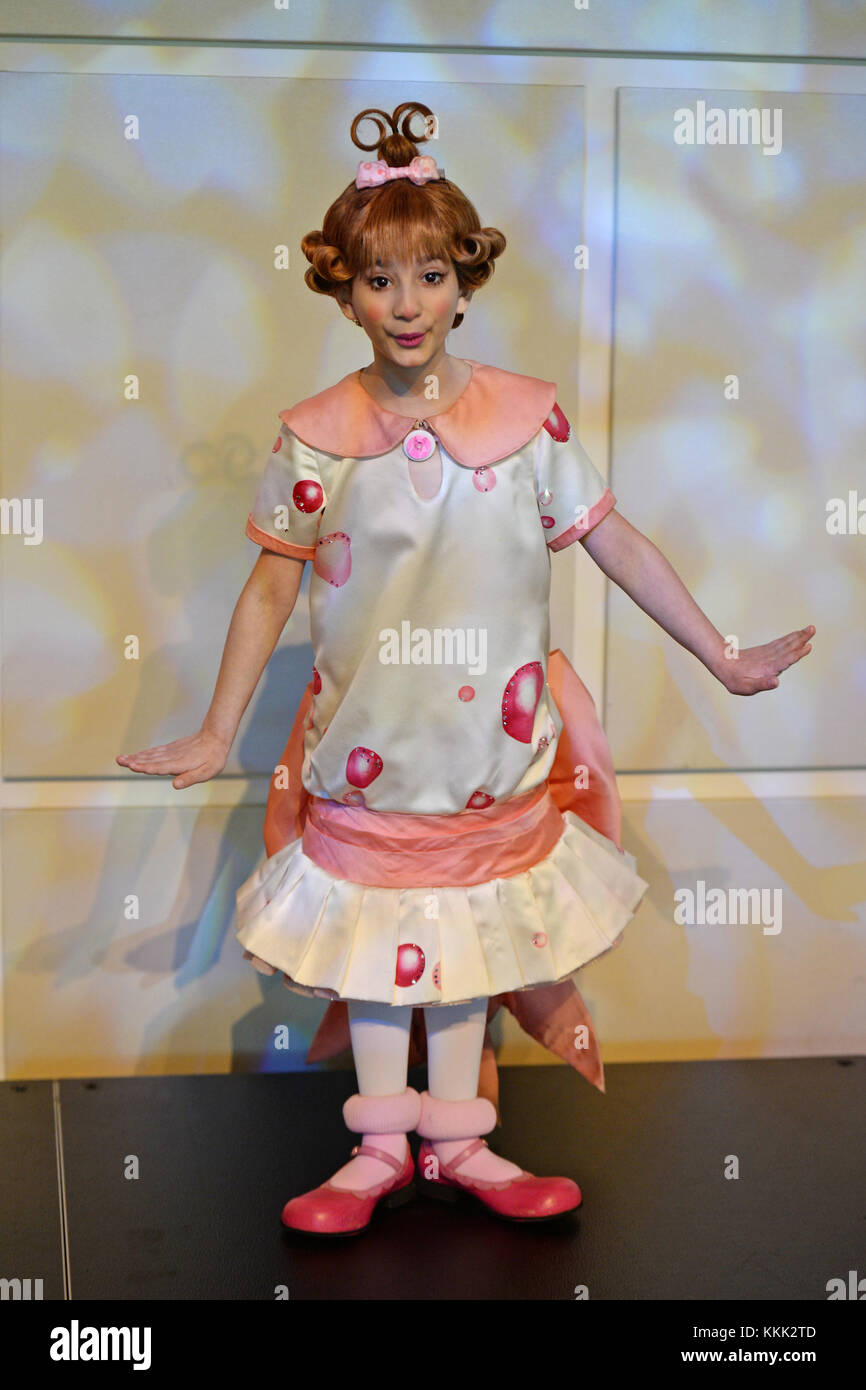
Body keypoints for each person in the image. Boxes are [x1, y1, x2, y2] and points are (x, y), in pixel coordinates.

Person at [117, 101, 815, 1237]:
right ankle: (379, 1145)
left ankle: (459, 1143)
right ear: (343, 291)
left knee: (472, 938)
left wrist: (721, 656)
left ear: (462, 283)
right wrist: (213, 729)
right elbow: (269, 586)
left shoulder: (527, 423)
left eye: (431, 276)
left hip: (494, 758)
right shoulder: (315, 435)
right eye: (381, 282)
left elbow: (613, 539)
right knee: (382, 949)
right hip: (366, 758)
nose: (407, 306)